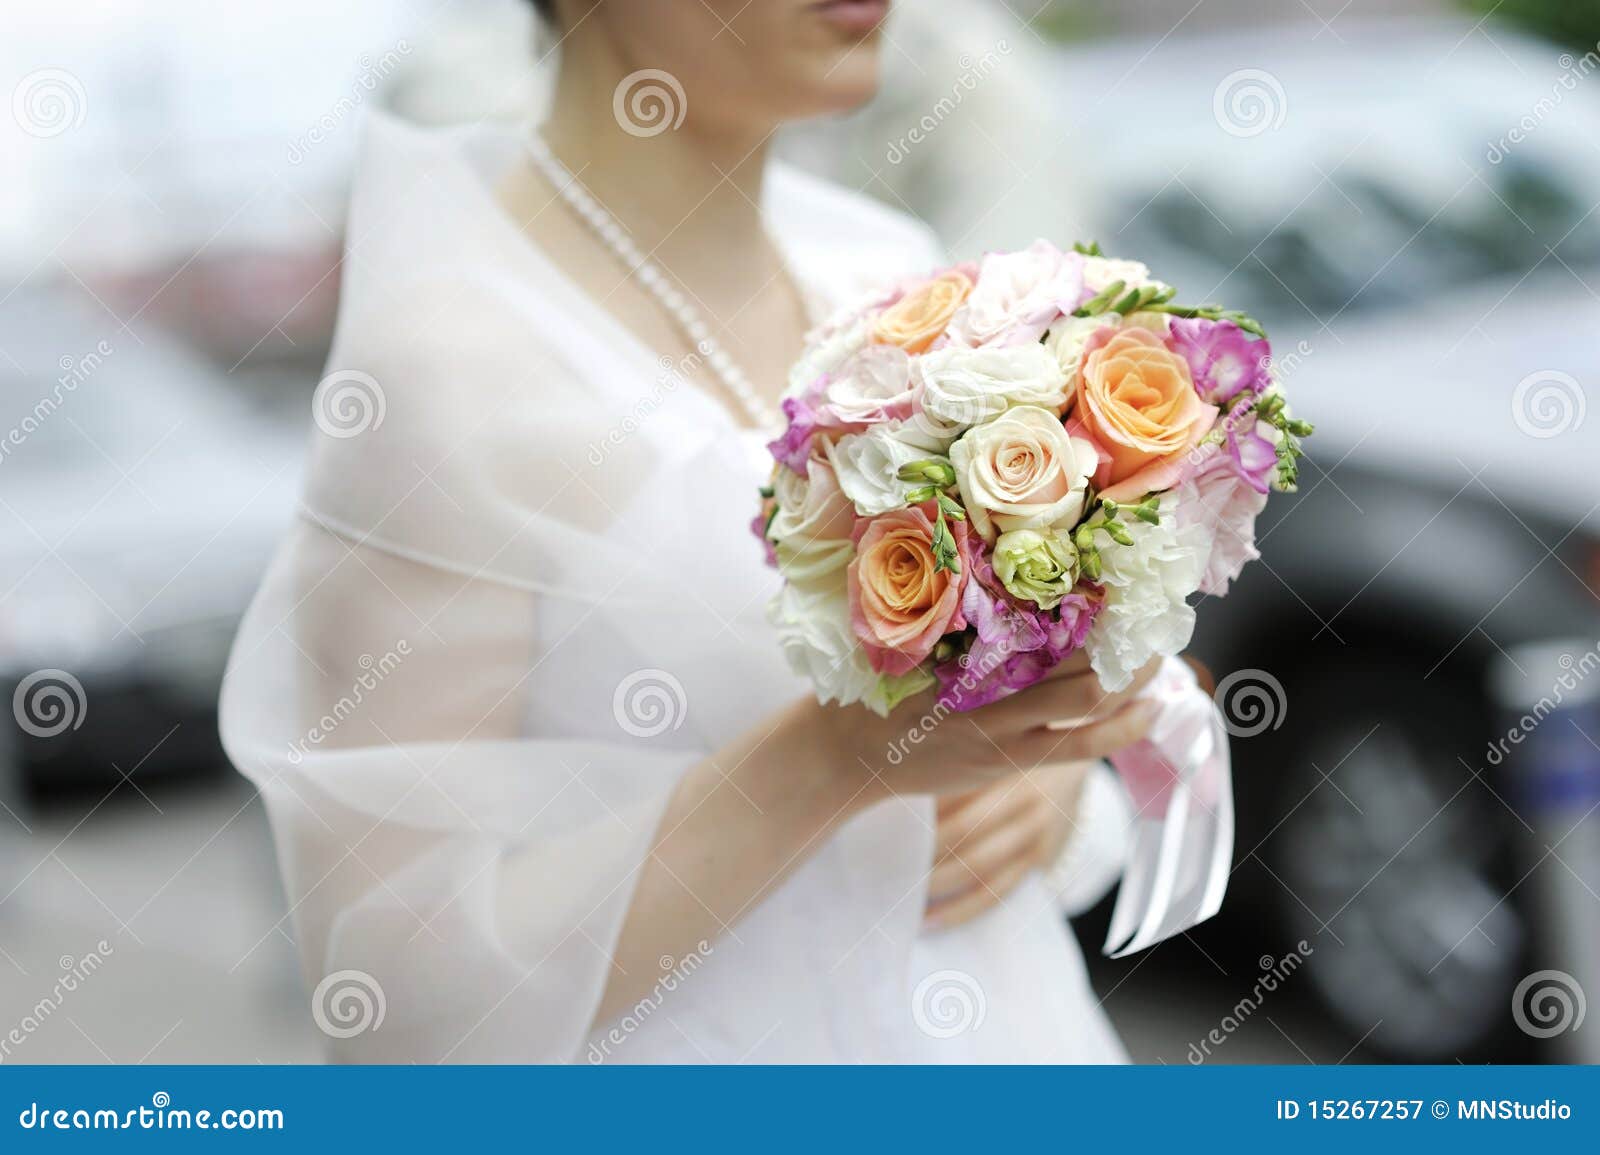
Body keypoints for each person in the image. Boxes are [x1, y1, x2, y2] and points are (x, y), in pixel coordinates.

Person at [220, 0, 1158, 1063]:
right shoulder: (447, 376)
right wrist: (829, 758)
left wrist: (1039, 772)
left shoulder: (887, 277)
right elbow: (398, 1004)